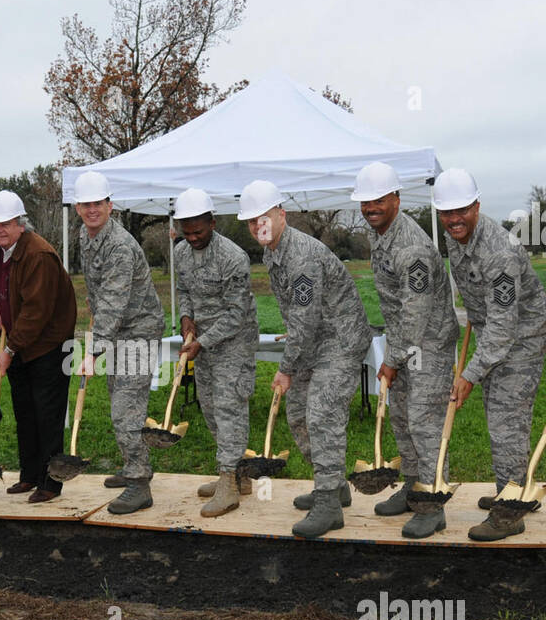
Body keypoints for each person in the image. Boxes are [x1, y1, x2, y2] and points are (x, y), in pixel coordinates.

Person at [241, 180, 371, 537]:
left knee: (322, 412)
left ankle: (328, 503)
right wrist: (295, 351)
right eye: (251, 222)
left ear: (281, 215)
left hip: (340, 340)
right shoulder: (274, 251)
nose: (258, 227)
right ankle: (334, 484)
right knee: (298, 414)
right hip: (315, 340)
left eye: (263, 218)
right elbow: (301, 318)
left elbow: (304, 318)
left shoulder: (300, 256)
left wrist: (285, 369)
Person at [434, 169, 546, 541]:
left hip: (522, 335)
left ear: (477, 206)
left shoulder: (501, 251)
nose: (454, 219)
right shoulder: (455, 239)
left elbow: (504, 328)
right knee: (500, 413)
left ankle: (509, 513)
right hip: (492, 329)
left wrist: (469, 375)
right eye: (446, 212)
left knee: (506, 419)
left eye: (462, 210)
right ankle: (513, 489)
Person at [354, 161, 460, 540]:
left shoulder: (410, 245)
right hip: (404, 339)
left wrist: (392, 360)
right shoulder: (380, 235)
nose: (370, 209)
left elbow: (415, 312)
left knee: (424, 421)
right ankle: (414, 486)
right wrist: (395, 355)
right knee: (400, 415)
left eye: (378, 200)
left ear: (396, 199)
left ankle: (432, 505)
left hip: (428, 343)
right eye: (365, 202)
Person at [74, 171, 163, 515]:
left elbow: (113, 300)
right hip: (116, 331)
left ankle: (140, 485)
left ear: (110, 206)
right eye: (86, 204)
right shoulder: (85, 235)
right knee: (119, 400)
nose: (92, 210)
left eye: (99, 203)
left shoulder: (121, 246)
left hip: (138, 330)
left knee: (126, 409)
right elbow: (97, 292)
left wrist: (92, 352)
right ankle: (131, 465)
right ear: (78, 208)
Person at [171, 187, 259, 517]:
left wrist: (201, 342)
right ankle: (239, 475)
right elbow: (184, 292)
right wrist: (185, 319)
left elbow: (236, 314)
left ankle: (228, 485)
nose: (192, 237)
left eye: (198, 231)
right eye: (186, 231)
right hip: (203, 339)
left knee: (228, 406)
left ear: (213, 222)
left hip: (234, 340)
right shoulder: (180, 252)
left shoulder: (233, 257)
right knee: (208, 405)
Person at [0, 190, 78, 503]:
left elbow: (36, 312)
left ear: (20, 224)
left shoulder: (38, 254)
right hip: (21, 345)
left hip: (48, 346)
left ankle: (50, 483)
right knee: (25, 413)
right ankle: (29, 475)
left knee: (46, 415)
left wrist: (9, 350)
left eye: (6, 224)